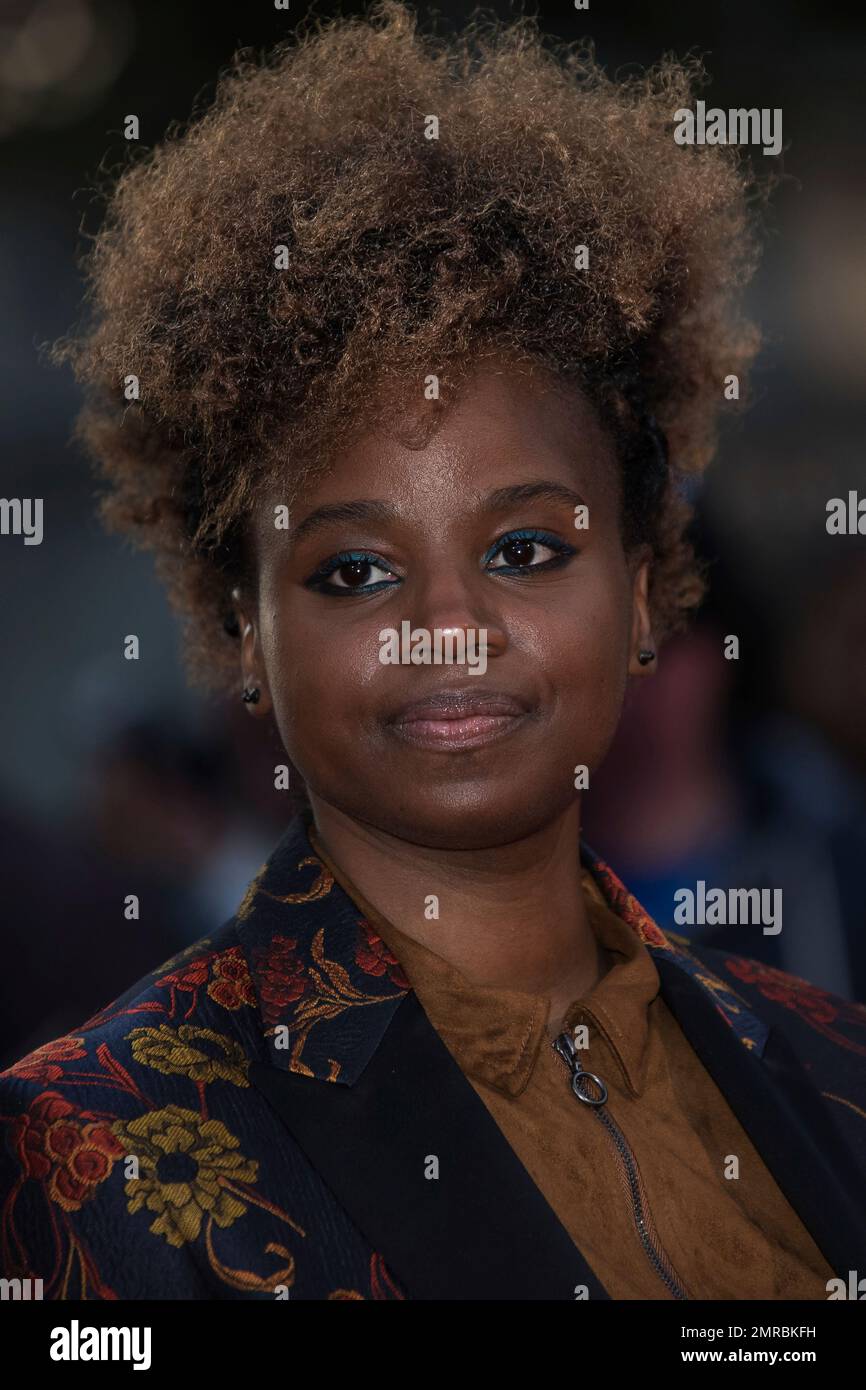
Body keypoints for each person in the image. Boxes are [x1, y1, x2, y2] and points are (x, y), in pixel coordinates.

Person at [1, 1, 864, 1301]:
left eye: (526, 549)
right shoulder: (94, 1143)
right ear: (245, 628)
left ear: (641, 594)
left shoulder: (830, 1064)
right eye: (355, 570)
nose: (448, 624)